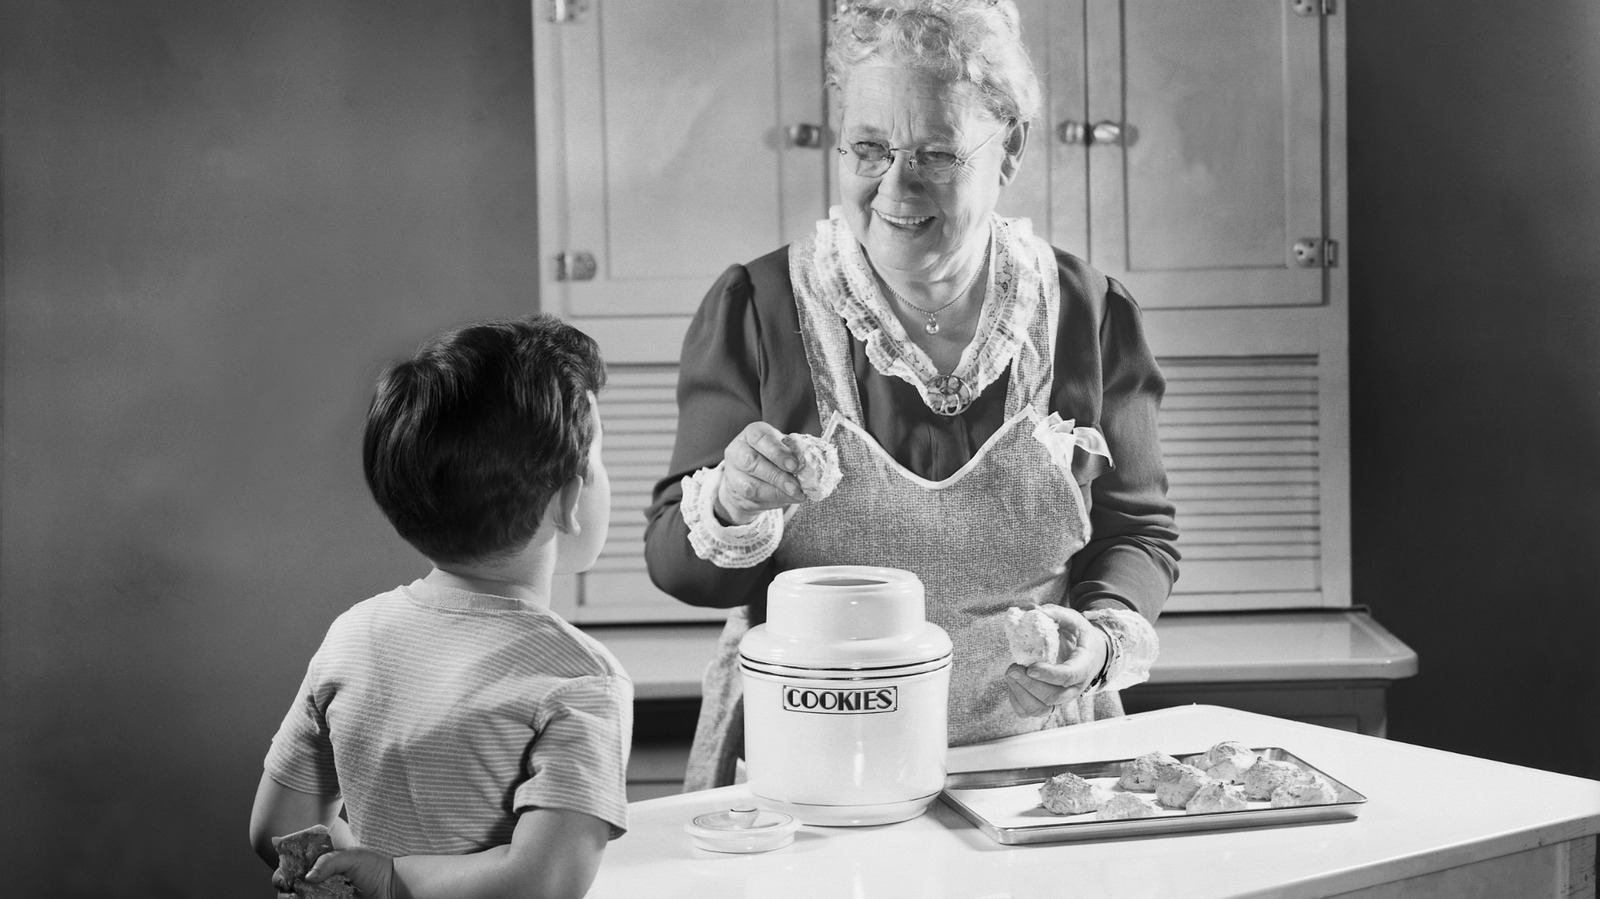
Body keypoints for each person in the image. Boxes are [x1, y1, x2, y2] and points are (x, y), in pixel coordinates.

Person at [644, 0, 1179, 791]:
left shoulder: (1088, 313)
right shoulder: (760, 308)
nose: (895, 185)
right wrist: (734, 500)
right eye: (868, 149)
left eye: (934, 153)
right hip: (812, 771)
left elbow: (1136, 530)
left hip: (1035, 767)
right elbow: (681, 568)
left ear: (1010, 150)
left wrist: (1096, 642)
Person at [248, 313, 629, 899]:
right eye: (599, 461)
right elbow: (543, 885)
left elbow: (277, 829)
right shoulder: (579, 678)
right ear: (570, 499)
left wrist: (358, 869)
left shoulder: (353, 634)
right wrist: (388, 878)